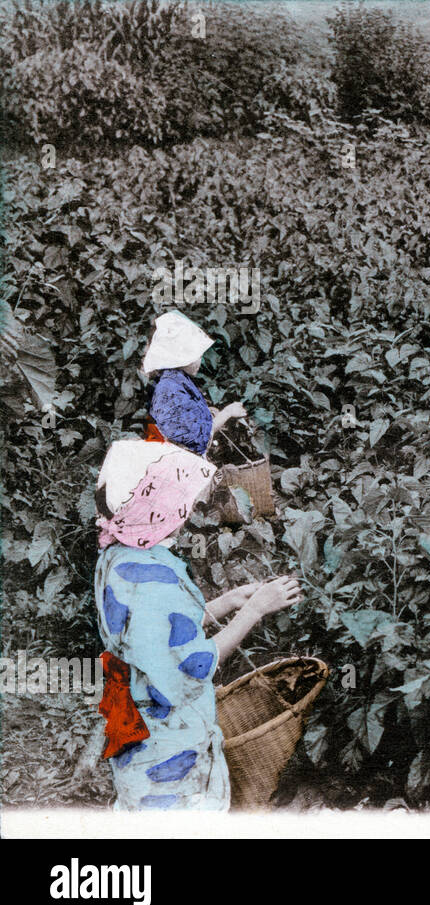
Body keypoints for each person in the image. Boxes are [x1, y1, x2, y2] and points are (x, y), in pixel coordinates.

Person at [93, 439, 302, 810]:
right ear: (154, 509)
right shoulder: (153, 579)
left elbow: (156, 631)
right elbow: (194, 664)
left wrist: (227, 602)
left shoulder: (121, 554)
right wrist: (254, 610)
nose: (186, 509)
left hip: (137, 721)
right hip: (169, 741)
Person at [141, 310, 246, 455]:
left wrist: (206, 414)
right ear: (181, 358)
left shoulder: (175, 381)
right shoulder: (170, 388)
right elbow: (194, 438)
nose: (199, 361)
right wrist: (227, 413)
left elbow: (185, 418)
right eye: (196, 356)